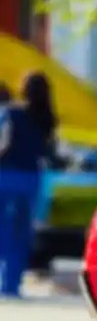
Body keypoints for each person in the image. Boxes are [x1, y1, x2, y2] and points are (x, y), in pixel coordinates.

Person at [0, 72, 59, 297]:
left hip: (4, 175)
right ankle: (11, 285)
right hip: (31, 178)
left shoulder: (12, 113)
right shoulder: (47, 118)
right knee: (21, 233)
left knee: (2, 229)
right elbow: (49, 152)